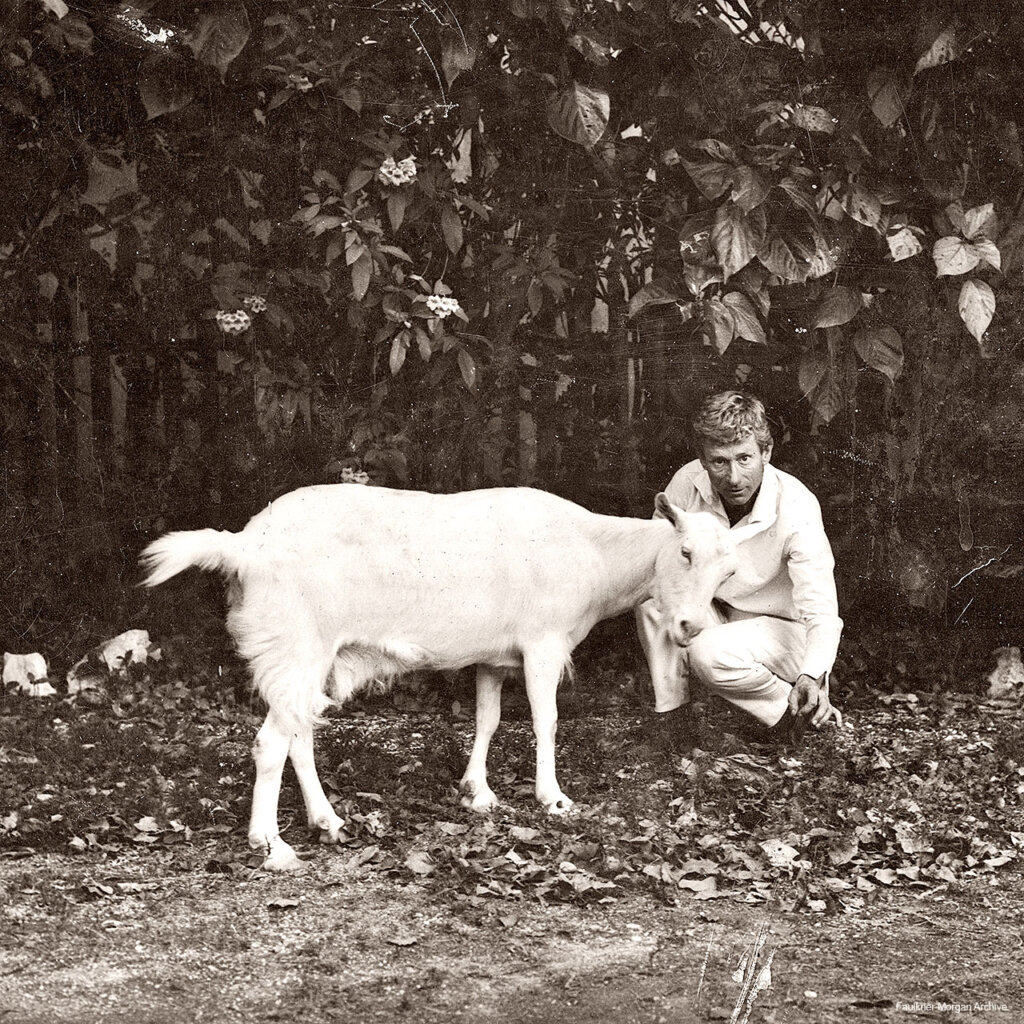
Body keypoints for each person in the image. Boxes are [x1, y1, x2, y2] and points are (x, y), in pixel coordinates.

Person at [636, 391, 843, 751]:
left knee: (708, 654)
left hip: (783, 633)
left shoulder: (796, 504)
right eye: (719, 462)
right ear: (702, 460)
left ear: (767, 452)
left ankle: (789, 713)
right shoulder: (687, 484)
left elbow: (821, 609)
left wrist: (812, 674)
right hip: (719, 617)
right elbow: (655, 557)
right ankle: (673, 719)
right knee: (654, 595)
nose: (733, 477)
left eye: (745, 458)